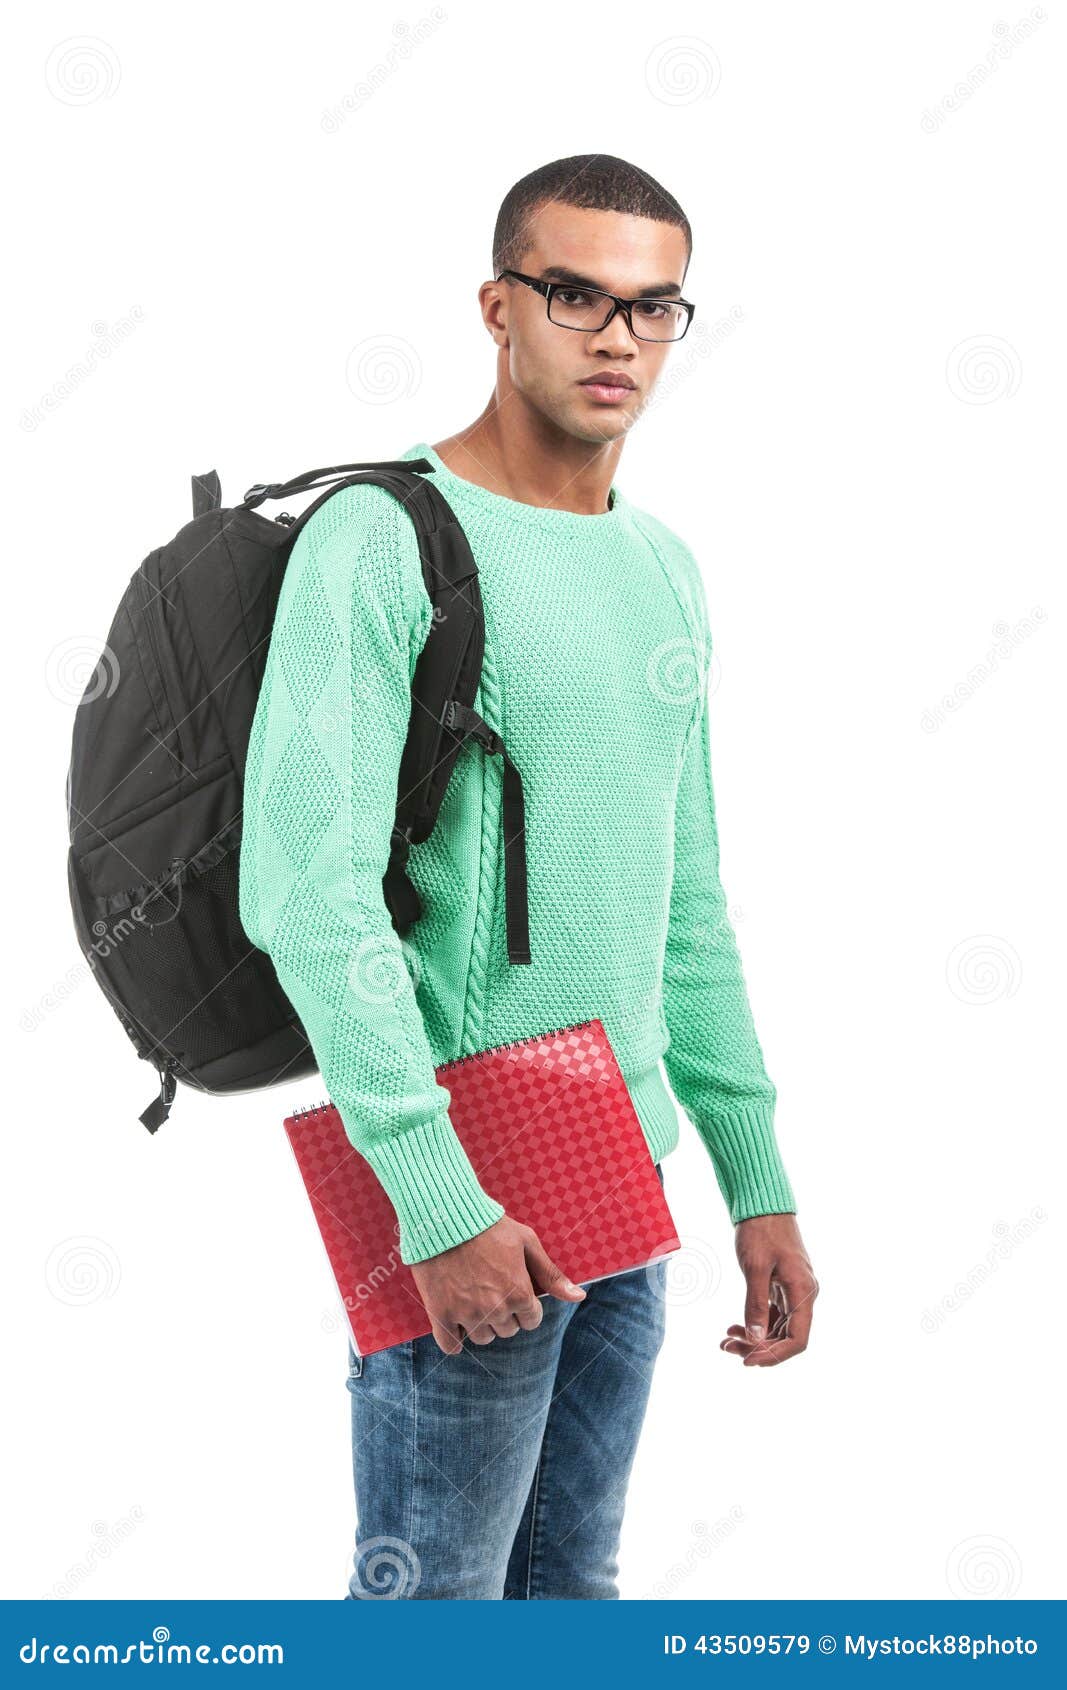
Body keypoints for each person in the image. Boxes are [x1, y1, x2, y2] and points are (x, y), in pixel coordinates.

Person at [238, 153, 818, 1601]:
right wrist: (435, 1201)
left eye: (653, 307)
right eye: (574, 295)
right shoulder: (379, 540)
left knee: (572, 1595)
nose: (617, 336)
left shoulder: (665, 568)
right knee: (436, 1605)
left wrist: (754, 1173)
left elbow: (688, 898)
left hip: (625, 1173)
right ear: (497, 308)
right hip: (462, 1180)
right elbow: (305, 893)